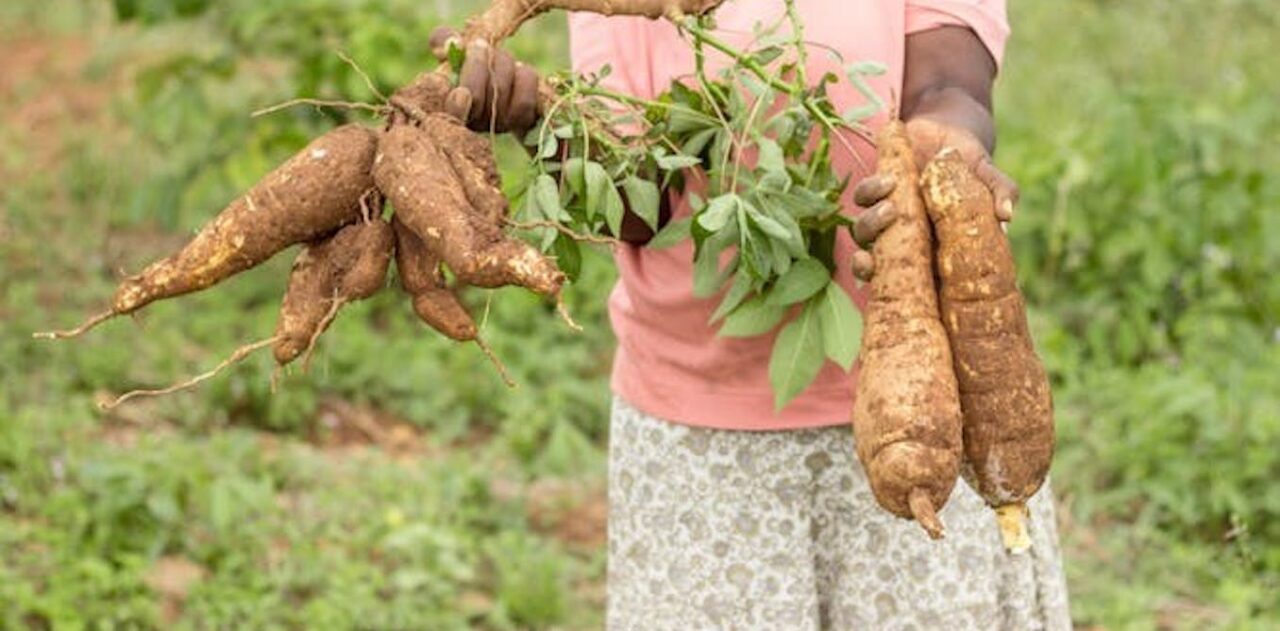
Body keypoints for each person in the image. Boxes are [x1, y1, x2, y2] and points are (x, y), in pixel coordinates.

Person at [433, 0, 1069, 627]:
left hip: (929, 409)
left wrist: (948, 146)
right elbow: (639, 203)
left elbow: (949, 83)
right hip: (700, 437)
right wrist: (540, 121)